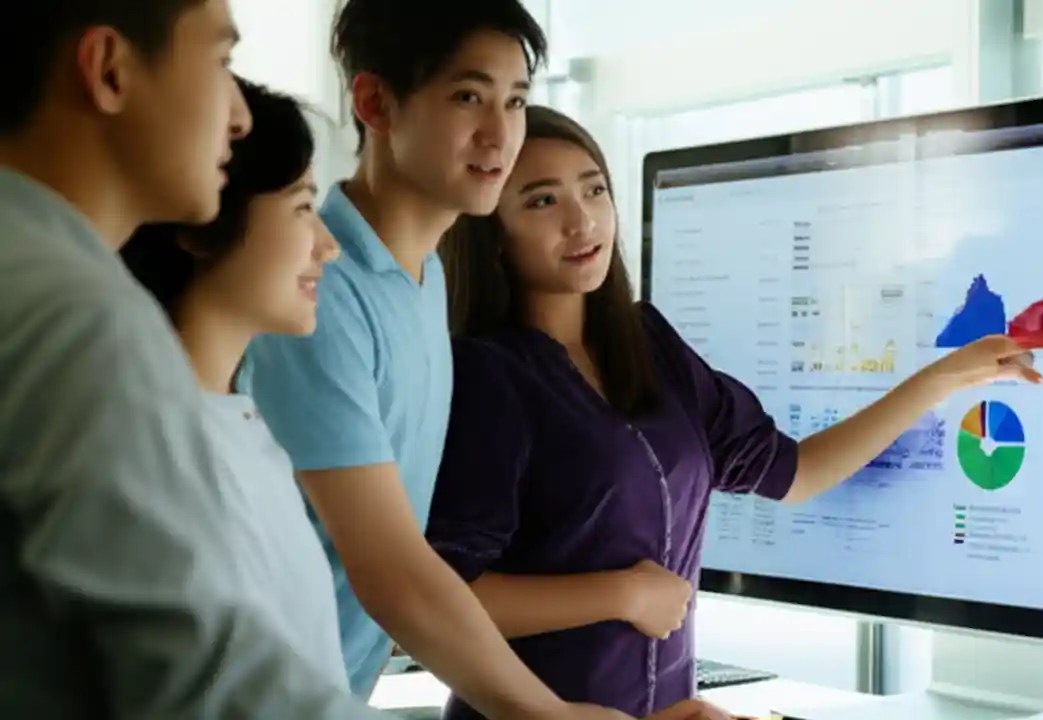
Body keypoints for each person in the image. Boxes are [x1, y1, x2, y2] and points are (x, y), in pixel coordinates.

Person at [429, 105, 1043, 719]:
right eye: (542, 201)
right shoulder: (489, 375)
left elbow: (796, 472)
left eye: (594, 189)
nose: (581, 219)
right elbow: (440, 599)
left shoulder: (647, 345)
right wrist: (620, 594)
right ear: (491, 231)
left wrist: (942, 378)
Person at [237, 3, 725, 720]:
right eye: (468, 97)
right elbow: (397, 575)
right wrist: (550, 714)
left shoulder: (425, 281)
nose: (501, 135)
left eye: (517, 100)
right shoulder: (323, 291)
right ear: (375, 103)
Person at [0, 1, 382, 717]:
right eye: (220, 62)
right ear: (109, 70)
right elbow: (201, 682)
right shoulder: (77, 315)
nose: (237, 116)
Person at [120, 75, 348, 690]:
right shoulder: (154, 454)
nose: (327, 247)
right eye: (302, 207)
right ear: (200, 220)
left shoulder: (238, 421)